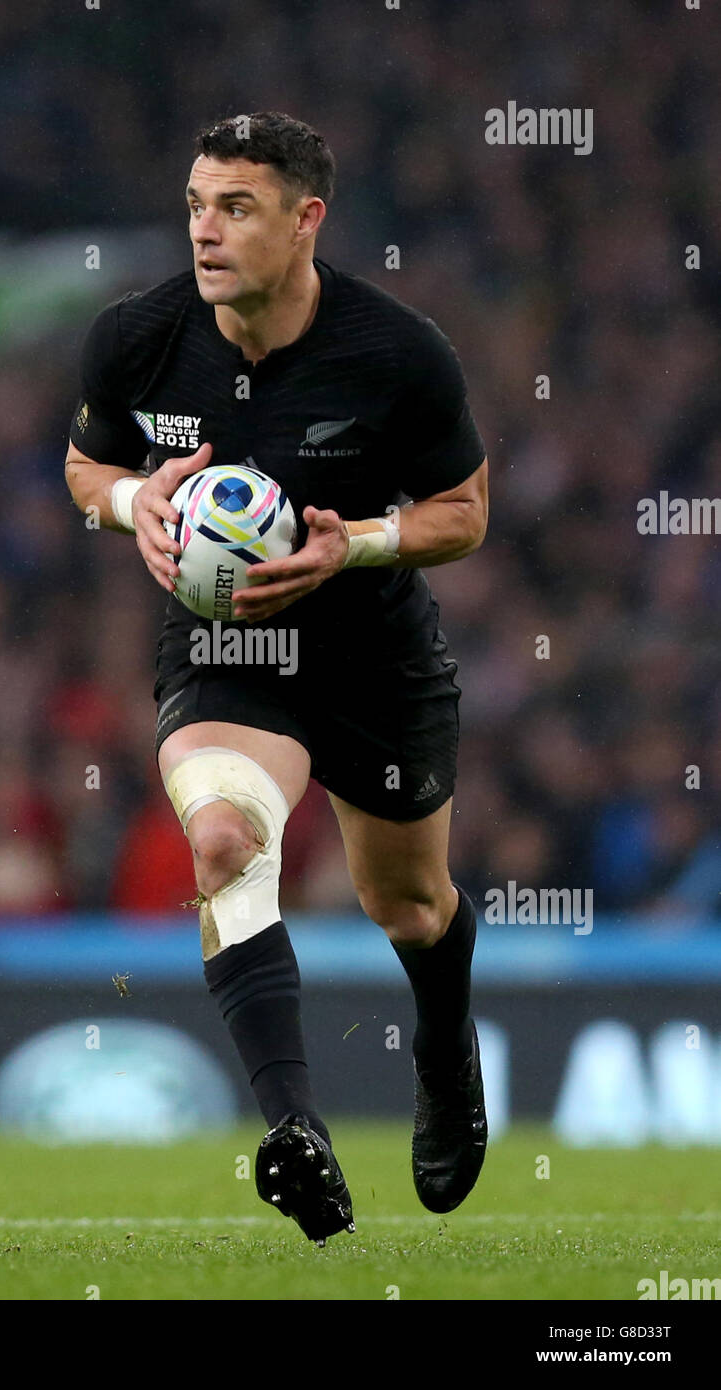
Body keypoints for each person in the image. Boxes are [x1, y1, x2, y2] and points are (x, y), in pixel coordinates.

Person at [65, 112, 489, 1245]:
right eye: (198, 203)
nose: (205, 228)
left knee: (407, 903)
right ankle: (295, 1130)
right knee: (220, 846)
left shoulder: (397, 352)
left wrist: (347, 543)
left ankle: (444, 1053)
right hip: (225, 646)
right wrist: (129, 503)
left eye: (236, 206)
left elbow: (464, 512)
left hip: (370, 654)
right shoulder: (139, 338)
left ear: (307, 221)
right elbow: (86, 462)